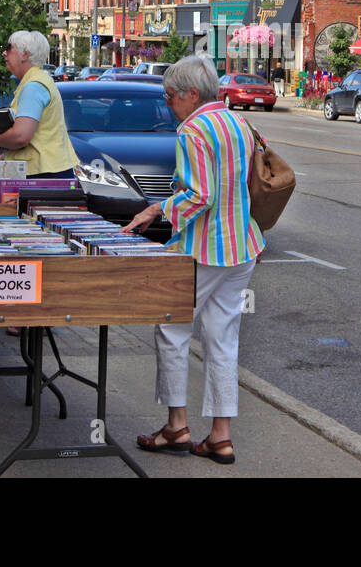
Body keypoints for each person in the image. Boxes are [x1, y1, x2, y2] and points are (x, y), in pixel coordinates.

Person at [123, 55, 265, 465]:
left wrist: (155, 210)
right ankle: (221, 436)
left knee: (172, 331)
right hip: (243, 246)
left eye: (170, 97)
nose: (168, 105)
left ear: (190, 94)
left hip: (204, 249)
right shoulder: (239, 122)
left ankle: (176, 427)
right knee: (223, 340)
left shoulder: (193, 129)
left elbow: (199, 195)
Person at [0, 30, 78, 179]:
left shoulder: (33, 86)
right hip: (48, 169)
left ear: (25, 54)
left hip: (43, 174)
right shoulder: (37, 81)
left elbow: (21, 136)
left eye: (9, 48)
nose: (4, 53)